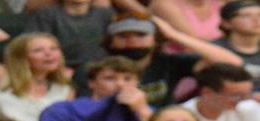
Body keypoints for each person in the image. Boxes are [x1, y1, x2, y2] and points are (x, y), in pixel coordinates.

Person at [77, 16, 242, 109]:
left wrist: (173, 35)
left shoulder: (169, 62)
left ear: (155, 40)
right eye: (124, 36)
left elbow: (232, 63)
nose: (132, 41)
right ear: (110, 42)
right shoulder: (95, 68)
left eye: (140, 36)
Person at [25, 0, 114, 71]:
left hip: (98, 69)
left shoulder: (106, 15)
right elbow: (34, 45)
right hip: (57, 69)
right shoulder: (46, 15)